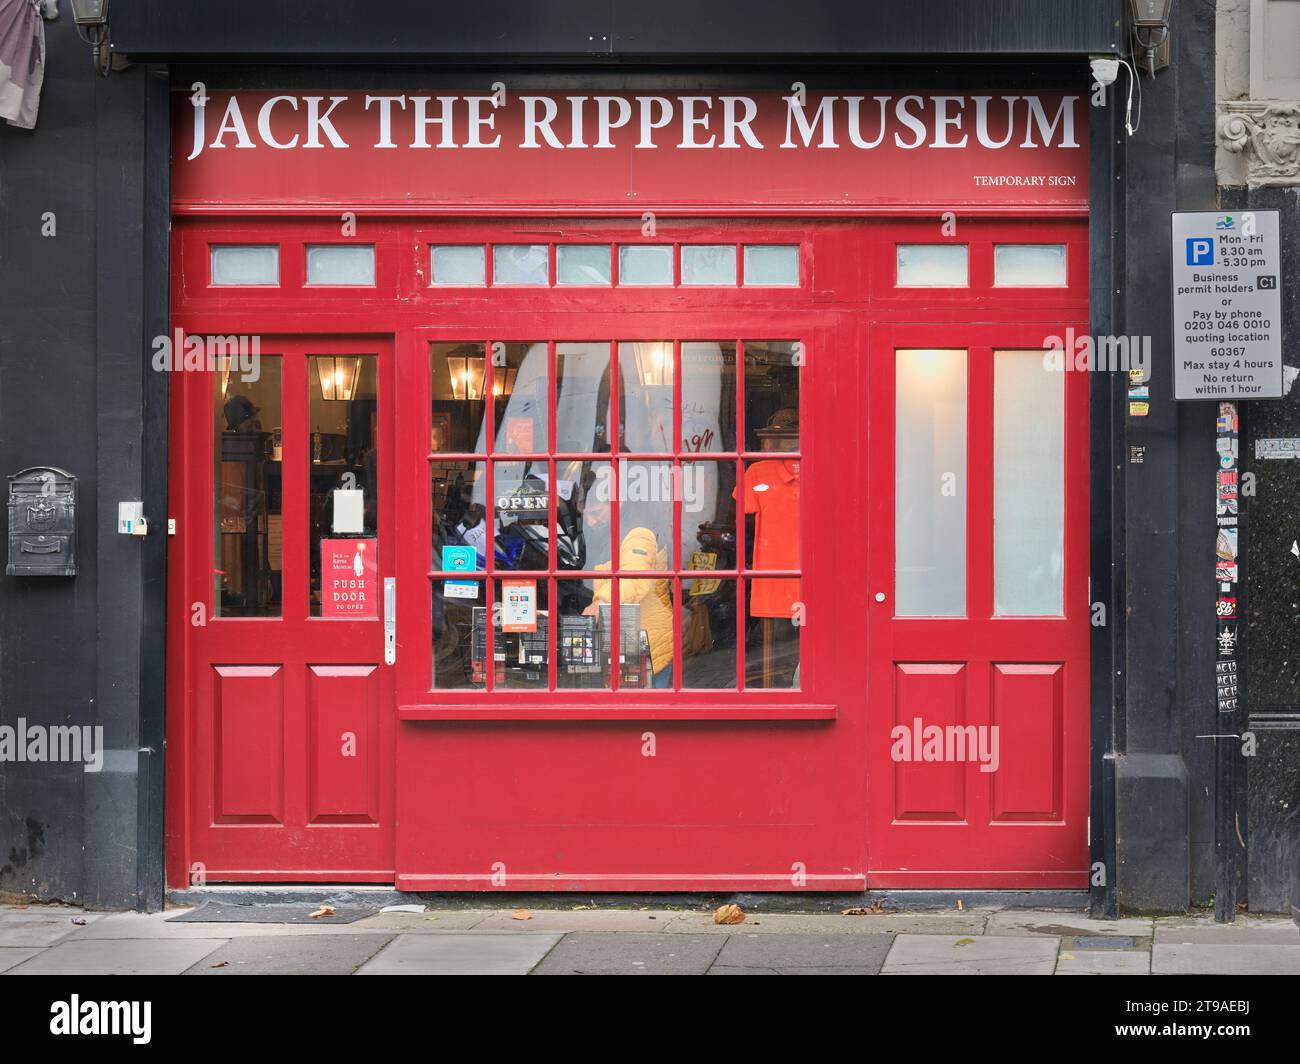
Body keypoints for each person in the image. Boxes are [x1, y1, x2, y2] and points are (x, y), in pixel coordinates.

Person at [587, 526, 674, 688]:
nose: (591, 521)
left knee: (648, 709)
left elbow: (635, 577)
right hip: (629, 644)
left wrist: (602, 601)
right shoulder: (603, 539)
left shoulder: (639, 535)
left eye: (596, 512)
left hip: (647, 647)